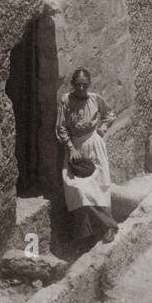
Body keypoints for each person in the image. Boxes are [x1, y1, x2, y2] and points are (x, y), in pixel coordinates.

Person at [55, 68, 118, 244]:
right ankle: (89, 232)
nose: (81, 88)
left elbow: (110, 114)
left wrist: (103, 128)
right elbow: (61, 127)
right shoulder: (66, 101)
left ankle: (106, 229)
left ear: (89, 84)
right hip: (75, 149)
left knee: (99, 187)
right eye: (78, 85)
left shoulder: (95, 99)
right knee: (78, 190)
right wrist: (71, 148)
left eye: (85, 85)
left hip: (94, 145)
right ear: (73, 85)